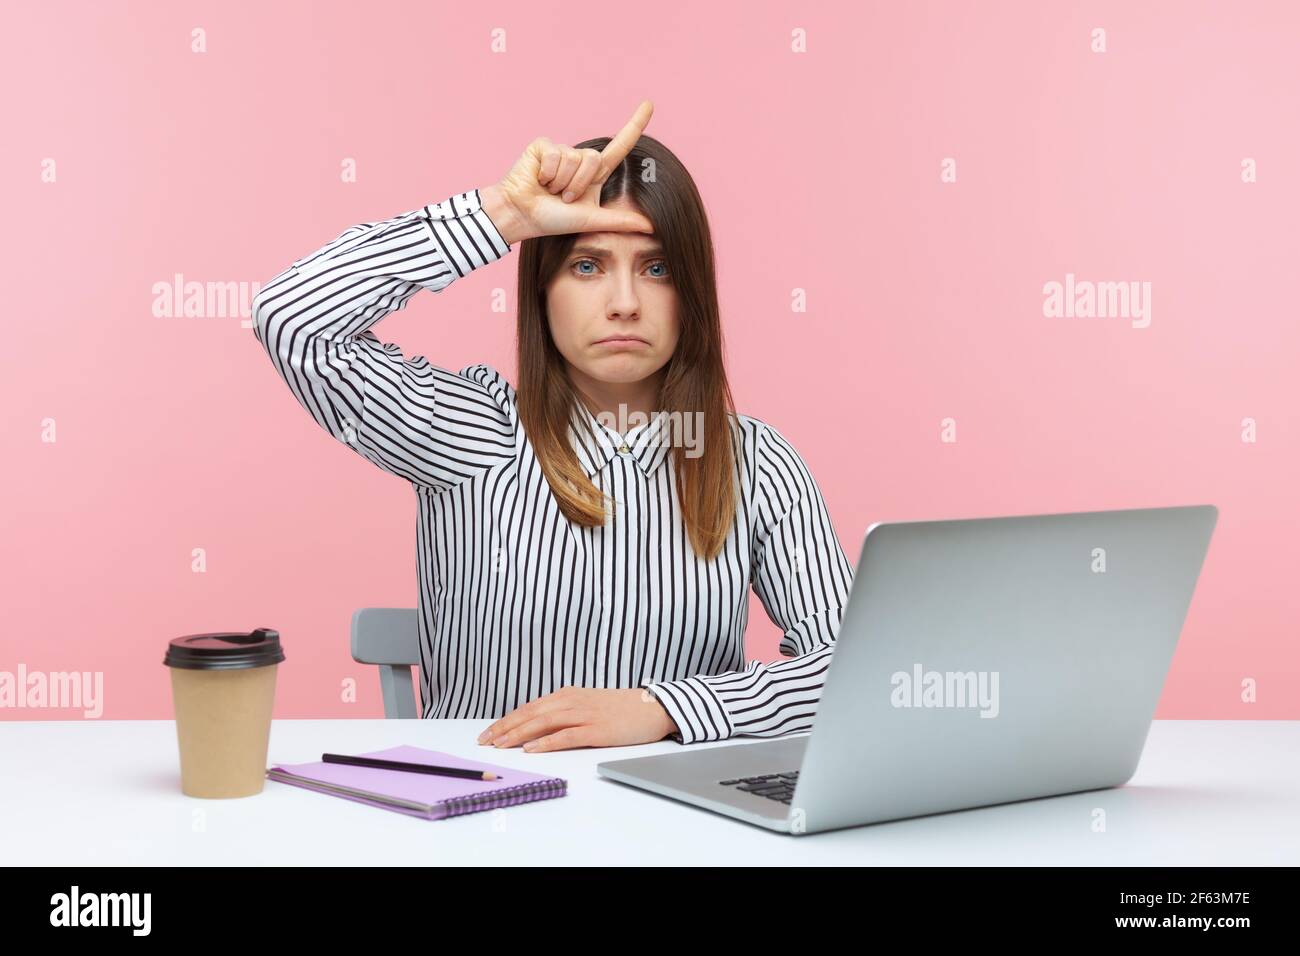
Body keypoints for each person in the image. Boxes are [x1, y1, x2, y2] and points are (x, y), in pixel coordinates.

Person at [250, 100, 852, 751]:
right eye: (587, 266)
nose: (624, 303)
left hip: (673, 820)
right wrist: (502, 216)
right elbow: (292, 317)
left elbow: (851, 669)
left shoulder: (756, 463)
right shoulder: (470, 431)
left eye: (657, 269)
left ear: (693, 293)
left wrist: (667, 708)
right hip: (486, 813)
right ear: (542, 291)